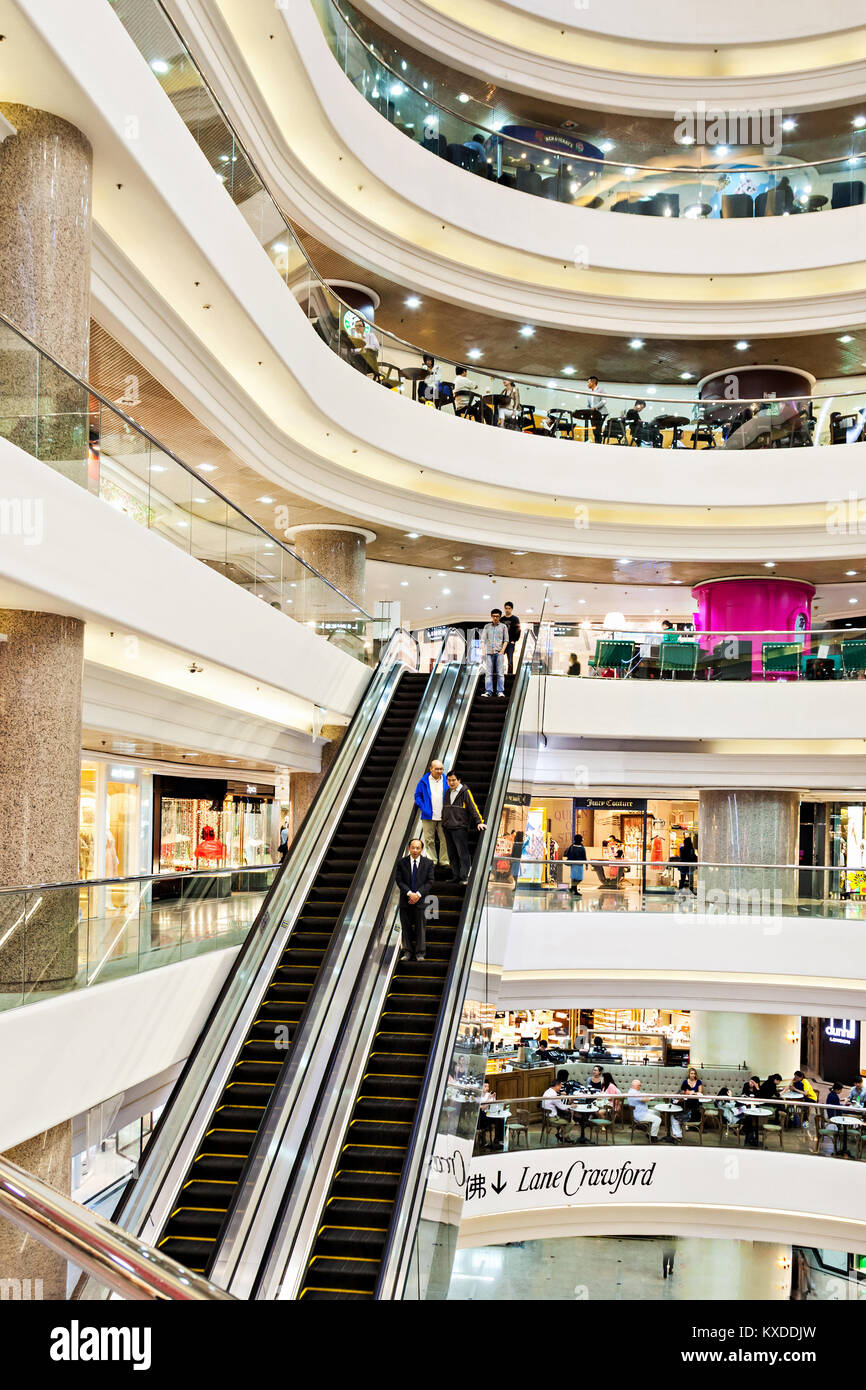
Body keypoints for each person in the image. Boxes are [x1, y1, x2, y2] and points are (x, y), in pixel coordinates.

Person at [442, 770, 485, 884]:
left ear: (459, 780)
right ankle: (455, 875)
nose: (451, 782)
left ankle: (464, 876)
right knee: (452, 854)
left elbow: (472, 807)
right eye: (449, 780)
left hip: (459, 827)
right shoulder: (447, 792)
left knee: (462, 853)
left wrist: (479, 821)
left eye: (453, 780)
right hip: (447, 827)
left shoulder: (465, 791)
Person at [394, 837, 434, 961]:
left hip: (421, 901)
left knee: (420, 927)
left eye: (418, 848)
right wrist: (409, 893)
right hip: (406, 901)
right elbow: (399, 880)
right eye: (413, 847)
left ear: (421, 849)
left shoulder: (428, 863)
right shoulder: (402, 862)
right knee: (405, 927)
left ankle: (420, 953)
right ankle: (407, 951)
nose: (415, 850)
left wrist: (418, 894)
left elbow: (430, 881)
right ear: (409, 848)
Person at [413, 758, 450, 873]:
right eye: (437, 769)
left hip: (443, 815)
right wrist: (424, 807)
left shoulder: (446, 780)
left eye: (441, 769)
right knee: (429, 840)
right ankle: (432, 860)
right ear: (431, 769)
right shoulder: (424, 781)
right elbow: (417, 795)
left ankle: (444, 861)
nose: (439, 771)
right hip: (428, 816)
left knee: (444, 839)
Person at [480, 607, 508, 697]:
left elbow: (506, 640)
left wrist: (502, 651)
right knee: (488, 673)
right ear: (491, 616)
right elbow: (483, 640)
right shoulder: (487, 627)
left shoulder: (503, 626)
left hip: (499, 653)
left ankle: (500, 691)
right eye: (493, 616)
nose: (495, 618)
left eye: (497, 616)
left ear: (500, 617)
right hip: (489, 653)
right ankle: (488, 691)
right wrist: (483, 651)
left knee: (500, 673)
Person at [585, 375, 606, 442]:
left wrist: (595, 407)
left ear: (593, 382)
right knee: (594, 431)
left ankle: (598, 444)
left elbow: (604, 401)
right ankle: (596, 443)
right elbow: (589, 405)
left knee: (597, 430)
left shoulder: (600, 390)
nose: (587, 384)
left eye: (588, 382)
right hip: (593, 414)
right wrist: (588, 409)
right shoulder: (589, 393)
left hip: (601, 413)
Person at [502, 601, 521, 675]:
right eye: (506, 608)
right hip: (502, 643)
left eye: (509, 608)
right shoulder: (501, 619)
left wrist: (514, 640)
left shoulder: (515, 619)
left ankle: (510, 674)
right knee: (500, 659)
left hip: (510, 642)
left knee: (510, 660)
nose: (507, 610)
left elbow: (518, 630)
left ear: (511, 609)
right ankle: (500, 673)